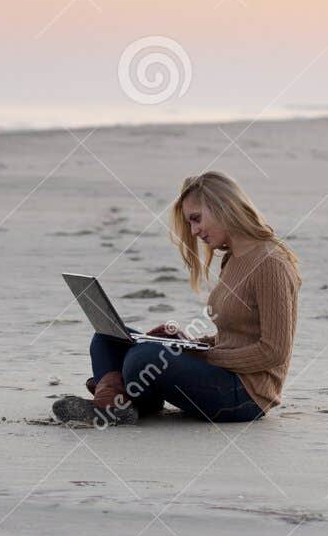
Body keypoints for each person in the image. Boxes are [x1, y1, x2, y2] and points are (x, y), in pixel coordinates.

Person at [52, 171, 301, 426]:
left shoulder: (270, 264)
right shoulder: (233, 258)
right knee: (109, 337)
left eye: (196, 219)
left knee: (145, 357)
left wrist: (203, 356)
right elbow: (234, 336)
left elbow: (274, 352)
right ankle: (119, 402)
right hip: (222, 372)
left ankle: (120, 402)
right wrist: (189, 344)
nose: (194, 232)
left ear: (223, 207)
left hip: (245, 397)